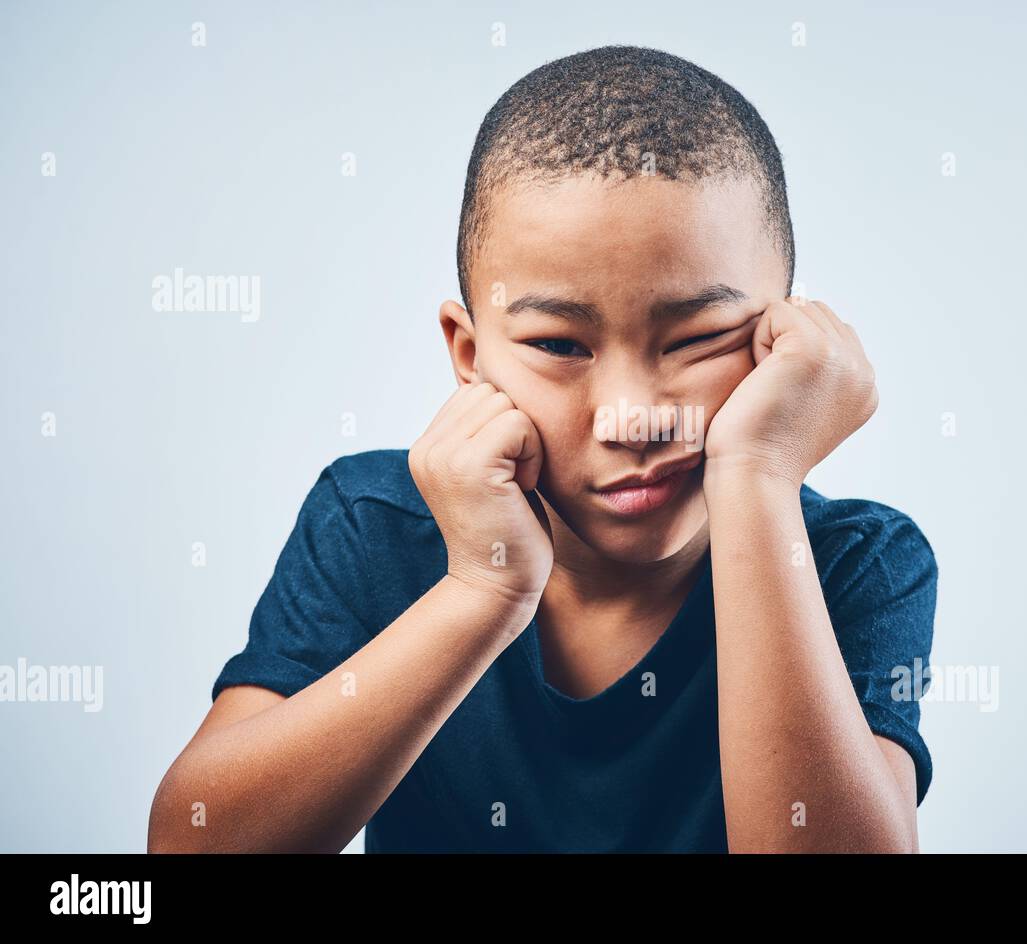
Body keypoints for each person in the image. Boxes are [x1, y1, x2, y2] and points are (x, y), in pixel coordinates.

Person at [148, 44, 938, 854]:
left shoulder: (852, 562)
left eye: (698, 339)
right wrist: (482, 590)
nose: (632, 419)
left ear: (786, 344)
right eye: (560, 344)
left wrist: (758, 477)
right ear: (469, 353)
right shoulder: (374, 527)